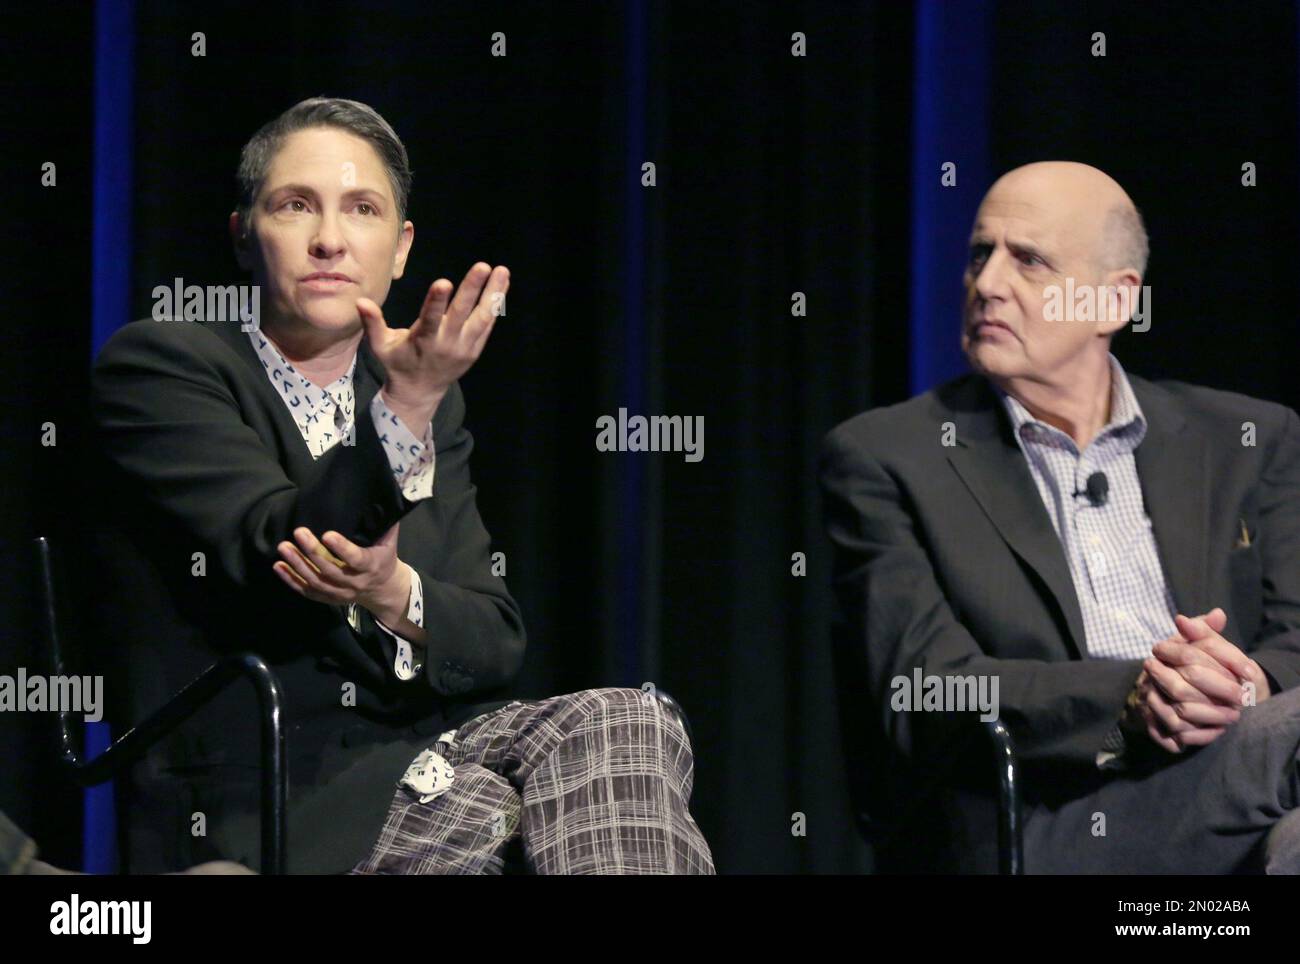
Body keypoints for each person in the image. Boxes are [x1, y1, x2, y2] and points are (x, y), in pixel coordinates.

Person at [87, 97, 713, 874]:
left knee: (628, 721)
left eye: (362, 209)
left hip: (440, 758)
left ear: (401, 248)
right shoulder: (161, 366)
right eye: (294, 206)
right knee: (503, 815)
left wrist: (393, 592)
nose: (329, 238)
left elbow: (492, 636)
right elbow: (284, 546)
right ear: (244, 233)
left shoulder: (421, 396)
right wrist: (405, 410)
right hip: (275, 795)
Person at [819, 161, 1300, 874]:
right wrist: (1136, 696)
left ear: (1114, 302)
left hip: (1239, 798)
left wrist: (1243, 689)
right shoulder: (887, 456)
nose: (986, 285)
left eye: (1029, 262)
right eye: (980, 254)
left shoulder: (1248, 439)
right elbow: (920, 688)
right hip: (1042, 824)